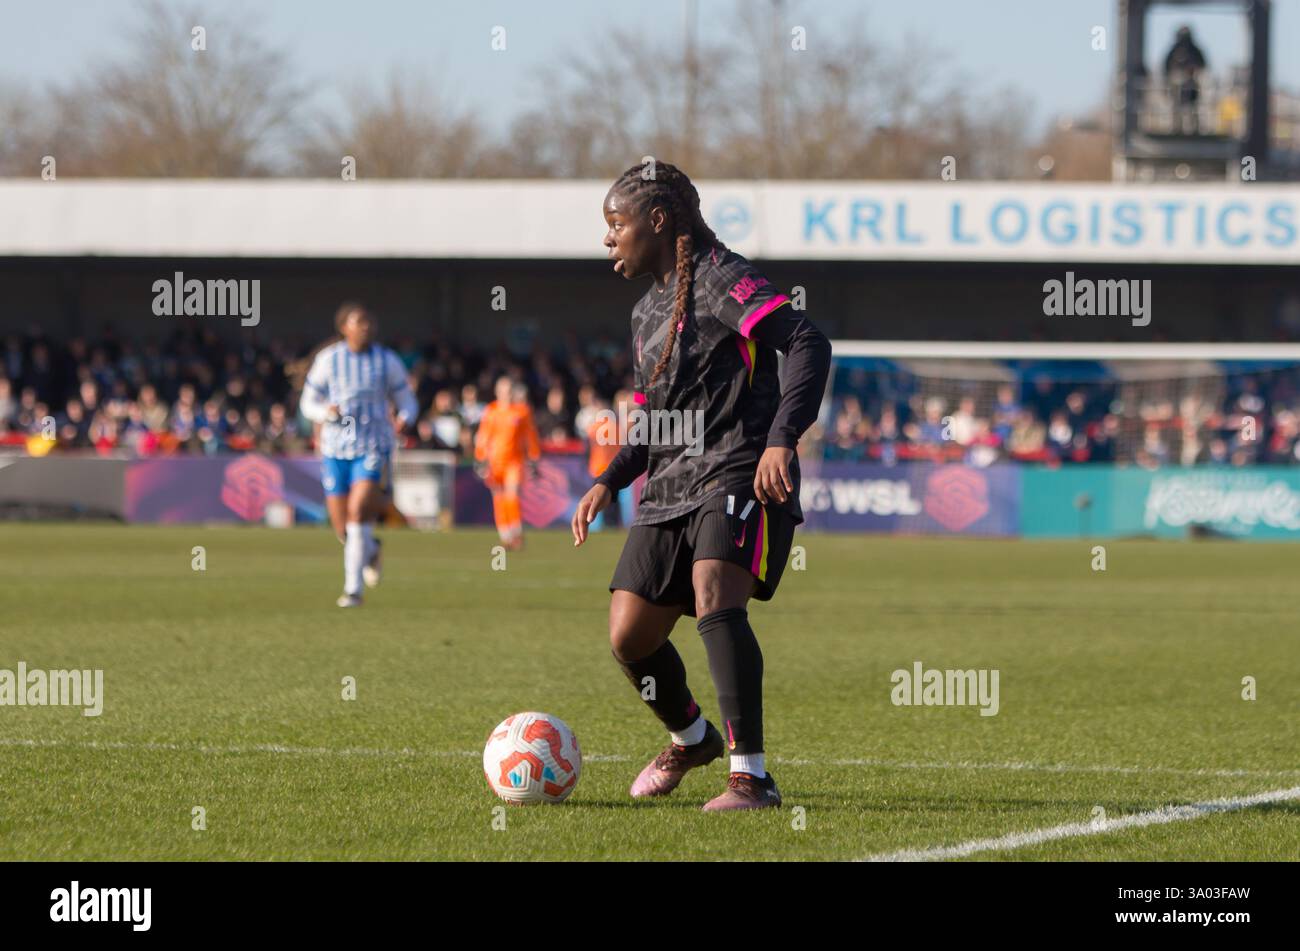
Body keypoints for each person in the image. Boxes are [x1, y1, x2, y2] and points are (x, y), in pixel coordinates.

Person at [571, 162, 831, 811]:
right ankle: (691, 736)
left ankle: (752, 777)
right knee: (630, 636)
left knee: (715, 592)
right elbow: (656, 415)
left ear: (658, 221)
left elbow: (805, 341)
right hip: (670, 484)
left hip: (739, 465)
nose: (609, 239)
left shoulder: (722, 277)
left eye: (616, 224)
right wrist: (611, 478)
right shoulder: (645, 311)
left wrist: (780, 437)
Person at [299, 302, 417, 608]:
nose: (365, 327)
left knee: (358, 508)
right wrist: (325, 412)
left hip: (372, 445)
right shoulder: (329, 360)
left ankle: (353, 590)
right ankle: (372, 549)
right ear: (344, 327)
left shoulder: (386, 361)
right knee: (342, 528)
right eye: (358, 322)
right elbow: (307, 403)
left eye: (369, 322)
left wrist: (405, 416)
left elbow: (407, 400)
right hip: (335, 448)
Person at [474, 377, 541, 550]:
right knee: (498, 497)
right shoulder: (491, 411)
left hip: (514, 462)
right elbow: (484, 436)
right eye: (503, 389)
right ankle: (505, 535)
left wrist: (534, 457)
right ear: (497, 392)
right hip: (494, 462)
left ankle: (516, 532)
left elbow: (530, 436)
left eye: (509, 389)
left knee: (512, 494)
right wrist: (480, 458)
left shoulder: (522, 411)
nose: (506, 393)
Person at [1165, 25, 1207, 134]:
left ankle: (1194, 128)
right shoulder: (1173, 50)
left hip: (1191, 83)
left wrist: (1193, 72)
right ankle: (1176, 127)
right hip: (1176, 83)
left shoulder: (1195, 50)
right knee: (1176, 107)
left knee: (1193, 107)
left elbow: (1202, 65)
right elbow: (1166, 67)